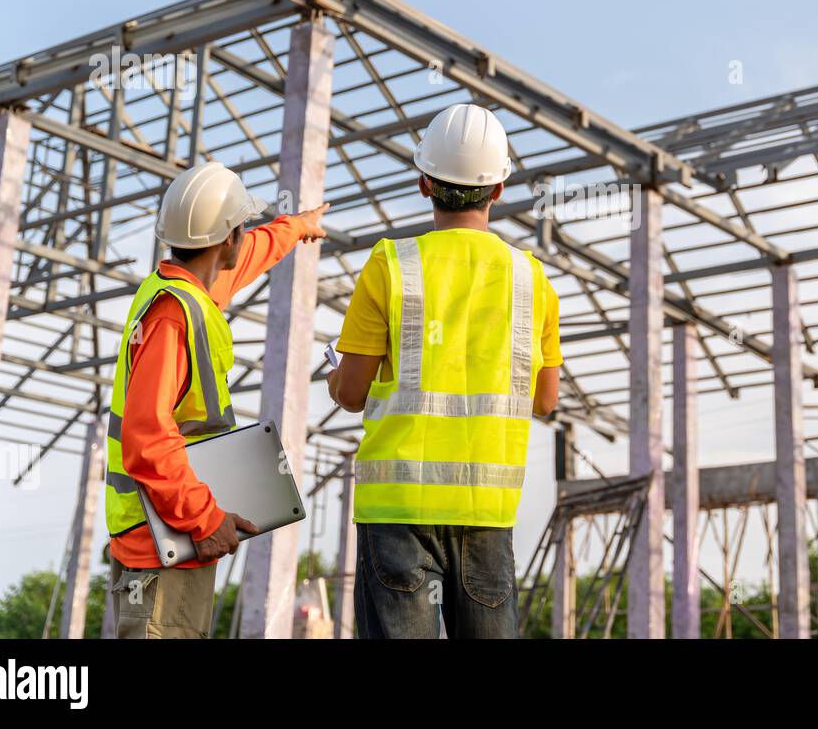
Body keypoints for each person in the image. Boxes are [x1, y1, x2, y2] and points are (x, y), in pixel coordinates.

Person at [327, 102, 561, 639]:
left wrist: (336, 378)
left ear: (424, 183)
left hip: (397, 509)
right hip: (487, 509)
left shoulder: (391, 264)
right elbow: (545, 401)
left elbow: (353, 392)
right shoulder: (531, 279)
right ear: (498, 190)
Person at [105, 162, 328, 638]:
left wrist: (296, 228)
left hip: (165, 534)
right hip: (164, 541)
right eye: (239, 231)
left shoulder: (182, 290)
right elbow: (146, 437)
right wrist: (205, 518)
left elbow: (250, 256)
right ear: (228, 237)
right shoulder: (175, 316)